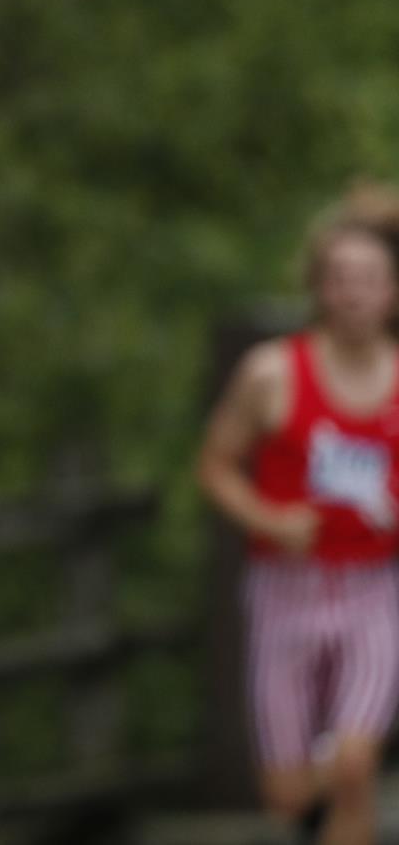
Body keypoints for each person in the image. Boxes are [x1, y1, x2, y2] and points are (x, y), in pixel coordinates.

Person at [198, 206, 399, 845]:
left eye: (369, 279)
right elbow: (213, 465)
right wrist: (270, 519)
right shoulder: (272, 372)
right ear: (318, 288)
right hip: (285, 591)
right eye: (340, 278)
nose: (354, 294)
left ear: (392, 292)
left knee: (354, 763)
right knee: (287, 797)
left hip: (373, 592)